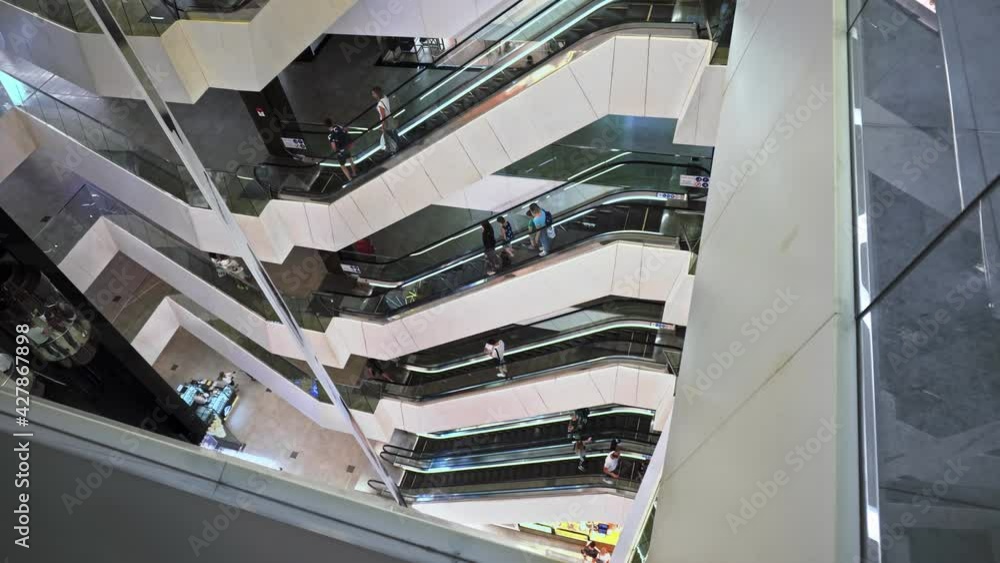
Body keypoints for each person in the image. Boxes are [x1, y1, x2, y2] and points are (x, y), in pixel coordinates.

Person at [372, 86, 404, 155]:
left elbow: (383, 116)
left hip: (386, 121)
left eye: (373, 94)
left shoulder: (380, 104)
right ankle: (400, 146)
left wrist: (383, 126)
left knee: (391, 136)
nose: (373, 95)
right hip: (390, 118)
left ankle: (397, 148)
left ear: (377, 93)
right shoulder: (385, 97)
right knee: (394, 134)